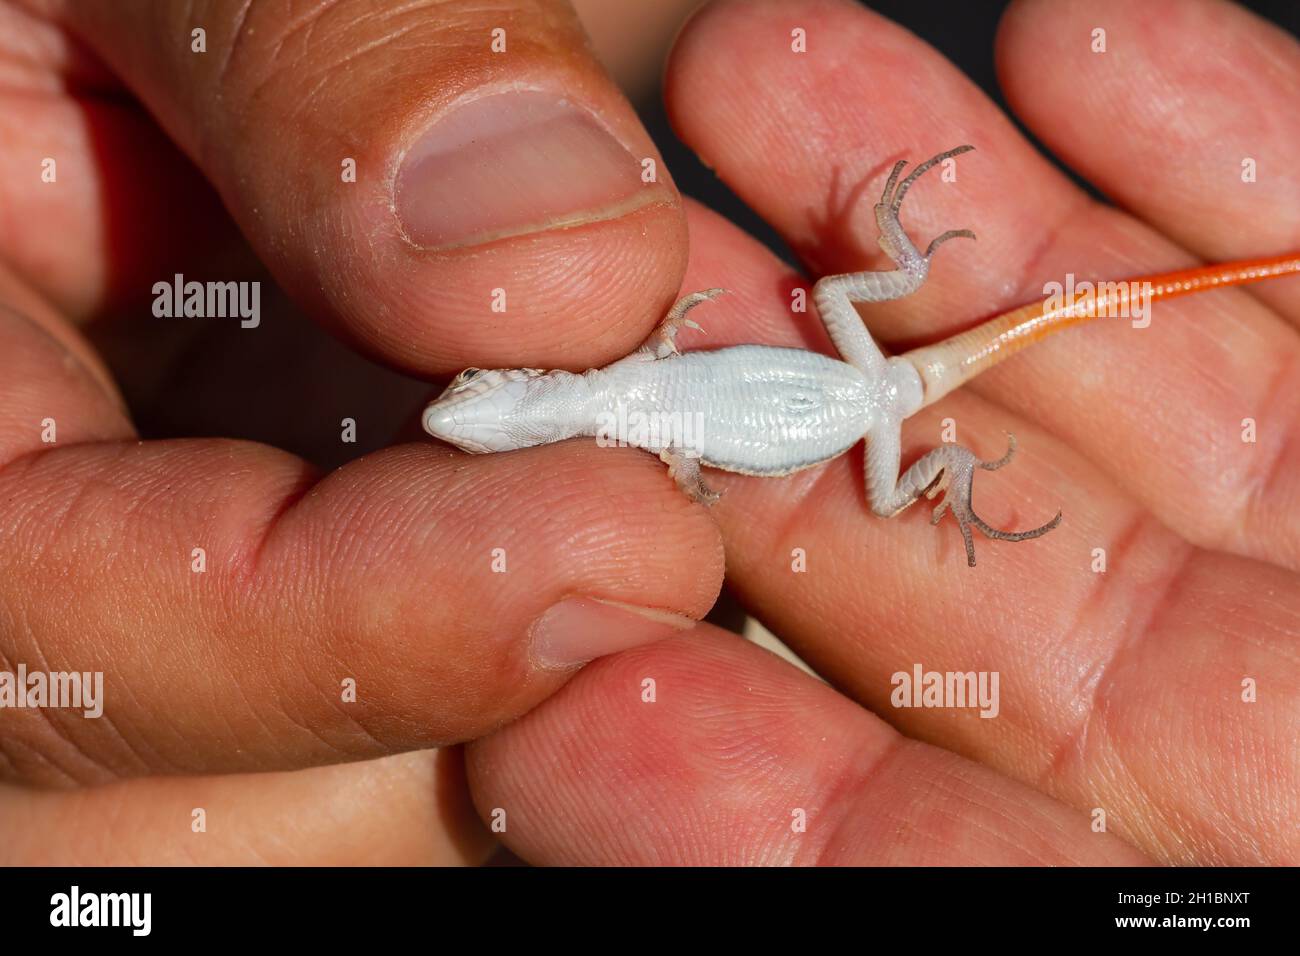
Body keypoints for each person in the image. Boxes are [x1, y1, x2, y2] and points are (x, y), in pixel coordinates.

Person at [0, 0, 1295, 866]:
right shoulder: (621, 387)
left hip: (859, 410)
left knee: (863, 340)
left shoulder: (625, 404)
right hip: (857, 406)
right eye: (484, 413)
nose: (473, 414)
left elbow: (670, 418)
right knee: (841, 319)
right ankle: (938, 423)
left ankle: (941, 422)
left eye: (484, 410)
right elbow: (664, 387)